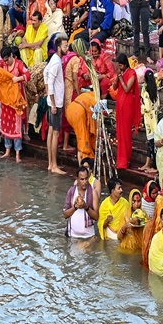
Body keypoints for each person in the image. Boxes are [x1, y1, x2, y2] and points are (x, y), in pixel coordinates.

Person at [43, 35, 67, 174]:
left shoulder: (54, 59)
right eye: (65, 46)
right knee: (55, 133)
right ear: (59, 47)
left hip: (52, 101)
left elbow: (45, 73)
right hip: (55, 103)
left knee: (52, 132)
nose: (66, 48)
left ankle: (50, 164)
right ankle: (54, 165)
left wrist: (48, 96)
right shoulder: (57, 62)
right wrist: (52, 103)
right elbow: (50, 81)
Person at [63, 164, 98, 239]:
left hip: (89, 236)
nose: (84, 182)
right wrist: (75, 207)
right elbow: (65, 215)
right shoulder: (71, 191)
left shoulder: (93, 192)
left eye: (86, 179)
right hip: (72, 235)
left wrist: (86, 207)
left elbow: (96, 217)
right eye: (82, 179)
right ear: (77, 179)